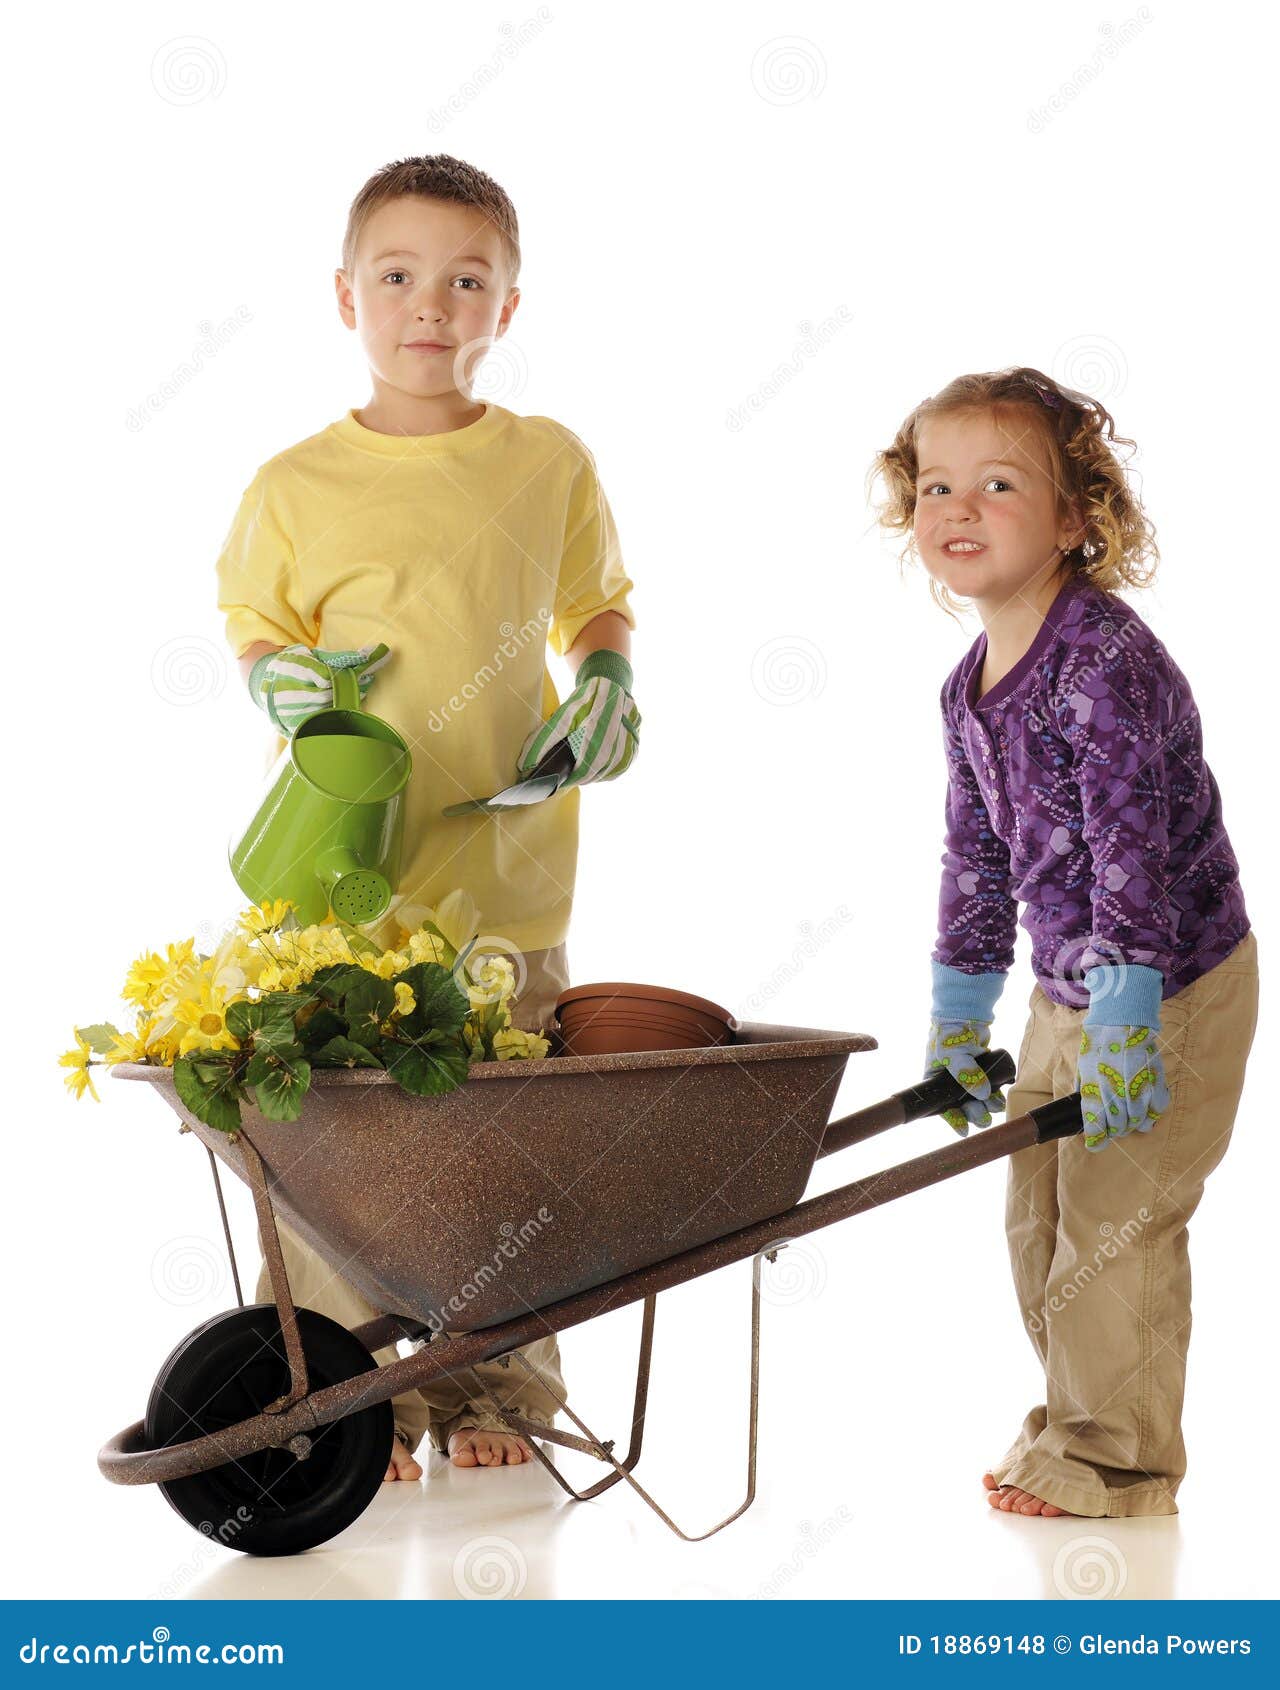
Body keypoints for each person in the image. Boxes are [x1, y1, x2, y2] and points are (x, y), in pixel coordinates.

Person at [215, 154, 639, 1482]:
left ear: (508, 306)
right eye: (398, 276)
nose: (431, 306)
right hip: (342, 884)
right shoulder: (294, 484)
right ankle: (359, 1402)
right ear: (347, 295)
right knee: (343, 1159)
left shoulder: (546, 460)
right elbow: (256, 624)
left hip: (505, 877)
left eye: (468, 280)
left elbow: (598, 599)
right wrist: (277, 678)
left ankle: (501, 1393)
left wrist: (611, 674)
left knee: (506, 1150)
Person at [869, 366, 1257, 1518]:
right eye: (936, 485)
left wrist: (1129, 1019)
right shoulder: (967, 685)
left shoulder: (1101, 663)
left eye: (998, 484)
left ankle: (1117, 1458)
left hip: (1168, 984)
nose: (958, 509)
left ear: (1075, 519)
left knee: (1116, 1223)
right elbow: (977, 860)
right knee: (1038, 1213)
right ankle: (1079, 1417)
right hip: (1070, 987)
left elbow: (1130, 851)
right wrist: (956, 1021)